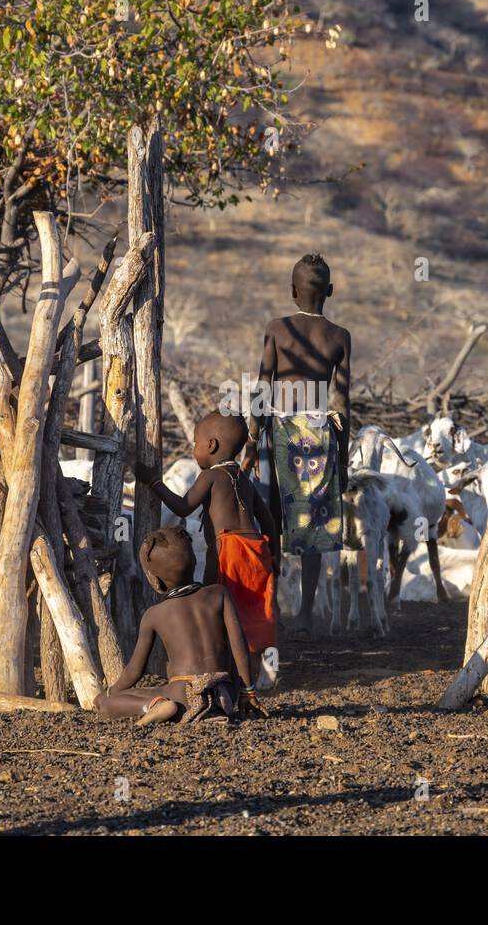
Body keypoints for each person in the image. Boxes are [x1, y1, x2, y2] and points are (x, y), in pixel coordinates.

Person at [245, 253, 351, 639]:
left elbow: (263, 386)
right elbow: (341, 400)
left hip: (282, 433)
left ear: (292, 292)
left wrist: (253, 438)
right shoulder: (340, 337)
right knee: (314, 525)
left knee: (272, 519)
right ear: (331, 292)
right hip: (320, 435)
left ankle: (270, 608)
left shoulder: (277, 328)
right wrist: (344, 458)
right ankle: (306, 614)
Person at [136, 411, 280, 685]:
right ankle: (262, 672)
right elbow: (268, 519)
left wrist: (154, 482)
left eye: (195, 443)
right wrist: (275, 557)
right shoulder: (243, 479)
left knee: (219, 605)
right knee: (256, 609)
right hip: (256, 550)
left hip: (228, 549)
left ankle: (227, 671)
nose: (194, 450)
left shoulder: (211, 477)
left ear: (211, 446)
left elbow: (182, 506)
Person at [93, 525, 267, 724]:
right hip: (225, 693)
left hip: (183, 697)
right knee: (152, 691)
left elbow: (135, 670)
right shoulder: (219, 594)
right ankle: (202, 707)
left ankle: (154, 707)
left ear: (153, 578)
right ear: (193, 560)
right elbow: (239, 643)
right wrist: (248, 692)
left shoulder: (154, 614)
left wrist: (112, 693)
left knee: (107, 702)